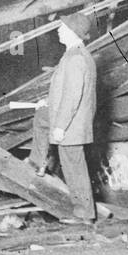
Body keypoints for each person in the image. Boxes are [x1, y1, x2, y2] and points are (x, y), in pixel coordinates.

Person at [29, 16, 98, 221]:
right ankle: (38, 162)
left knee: (74, 169)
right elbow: (63, 90)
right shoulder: (72, 54)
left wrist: (60, 127)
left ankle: (84, 214)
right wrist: (47, 103)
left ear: (72, 31)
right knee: (41, 118)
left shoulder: (76, 58)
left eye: (62, 27)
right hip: (69, 118)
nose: (59, 30)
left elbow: (72, 96)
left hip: (72, 124)